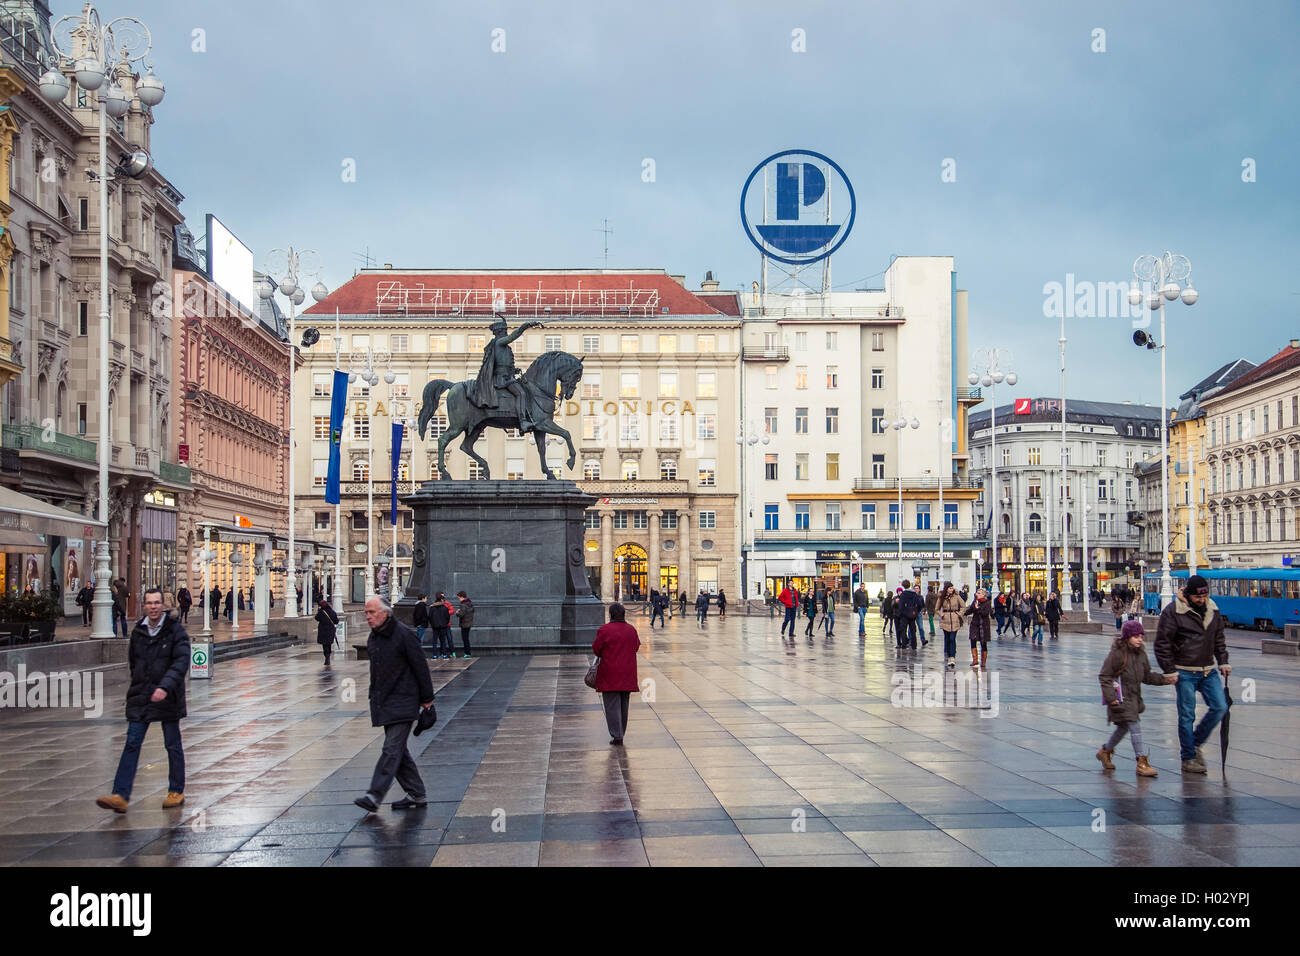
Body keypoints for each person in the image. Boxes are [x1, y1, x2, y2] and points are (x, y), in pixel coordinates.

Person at [95, 588, 189, 813]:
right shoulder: (139, 631)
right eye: (149, 603)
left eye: (157, 603)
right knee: (132, 743)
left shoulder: (175, 631)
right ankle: (120, 795)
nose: (154, 607)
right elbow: (134, 663)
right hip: (141, 696)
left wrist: (165, 687)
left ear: (163, 605)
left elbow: (181, 661)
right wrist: (140, 686)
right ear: (144, 605)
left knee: (172, 744)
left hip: (168, 696)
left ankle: (176, 790)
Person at [354, 596, 435, 813]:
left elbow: (420, 666)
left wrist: (427, 699)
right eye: (366, 613)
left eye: (372, 612)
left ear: (385, 613)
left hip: (404, 701)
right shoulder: (375, 637)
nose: (368, 617)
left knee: (391, 749)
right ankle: (417, 794)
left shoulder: (403, 635)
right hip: (385, 702)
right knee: (399, 751)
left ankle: (374, 794)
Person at [1154, 574, 1230, 775]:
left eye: (1204, 596)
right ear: (1189, 594)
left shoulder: (1212, 609)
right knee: (1187, 715)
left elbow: (1219, 638)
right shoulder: (1173, 611)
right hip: (1184, 670)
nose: (1202, 600)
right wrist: (1169, 670)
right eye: (1198, 597)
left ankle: (1194, 743)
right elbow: (1162, 643)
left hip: (1208, 669)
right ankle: (1188, 758)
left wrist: (1223, 661)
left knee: (1220, 707)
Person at [1098, 620, 1173, 778]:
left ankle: (1105, 751)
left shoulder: (1141, 654)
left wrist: (1164, 679)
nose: (1139, 639)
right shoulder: (1117, 653)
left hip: (1134, 698)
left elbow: (1146, 676)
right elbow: (1105, 675)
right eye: (1136, 636)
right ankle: (1141, 762)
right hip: (1120, 698)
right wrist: (1111, 698)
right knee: (1134, 727)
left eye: (1141, 636)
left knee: (1124, 728)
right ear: (1127, 637)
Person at [592, 603, 640, 745]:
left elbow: (596, 649)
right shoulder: (631, 630)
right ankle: (621, 732)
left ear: (610, 615)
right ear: (624, 614)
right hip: (628, 673)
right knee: (624, 704)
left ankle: (617, 734)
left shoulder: (604, 630)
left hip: (610, 673)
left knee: (612, 705)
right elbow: (636, 646)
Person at [965, 586, 993, 669]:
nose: (977, 594)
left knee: (983, 643)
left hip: (984, 625)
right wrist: (964, 612)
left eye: (979, 593)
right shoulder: (975, 602)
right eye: (977, 592)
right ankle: (975, 660)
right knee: (973, 640)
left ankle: (983, 662)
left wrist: (977, 608)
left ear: (983, 595)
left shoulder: (987, 603)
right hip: (975, 624)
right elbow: (969, 610)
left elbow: (985, 613)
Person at [938, 581, 964, 669]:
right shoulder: (942, 597)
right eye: (950, 588)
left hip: (954, 619)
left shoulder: (956, 596)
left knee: (952, 638)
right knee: (948, 639)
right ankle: (948, 654)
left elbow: (963, 606)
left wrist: (959, 613)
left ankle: (952, 657)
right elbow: (936, 608)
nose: (951, 589)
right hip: (945, 619)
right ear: (946, 589)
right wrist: (941, 614)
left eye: (952, 588)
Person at [315, 596, 339, 665]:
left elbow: (316, 618)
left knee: (324, 644)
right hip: (330, 630)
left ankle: (327, 657)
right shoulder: (332, 612)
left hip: (323, 631)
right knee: (329, 644)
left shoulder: (321, 612)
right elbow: (336, 621)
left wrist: (319, 611)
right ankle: (328, 656)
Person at [430, 591, 453, 660]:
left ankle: (434, 655)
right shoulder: (445, 608)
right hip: (443, 626)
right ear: (442, 599)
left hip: (435, 626)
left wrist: (433, 624)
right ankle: (444, 654)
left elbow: (430, 617)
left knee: (434, 641)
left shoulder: (432, 608)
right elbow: (447, 617)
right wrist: (445, 624)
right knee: (443, 641)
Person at [455, 590, 475, 658]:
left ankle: (467, 653)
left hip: (464, 624)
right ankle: (468, 652)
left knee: (465, 639)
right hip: (469, 623)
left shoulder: (463, 605)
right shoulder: (469, 603)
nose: (459, 599)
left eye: (459, 597)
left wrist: (457, 612)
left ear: (462, 597)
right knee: (466, 638)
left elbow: (461, 614)